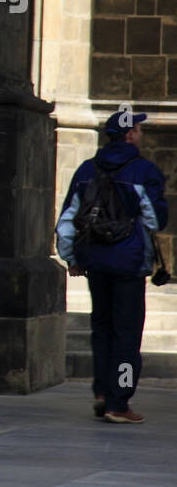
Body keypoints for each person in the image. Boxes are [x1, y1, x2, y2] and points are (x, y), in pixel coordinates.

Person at [56, 109, 167, 424]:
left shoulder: (86, 170)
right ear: (130, 134)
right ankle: (119, 401)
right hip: (129, 263)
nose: (141, 134)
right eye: (139, 129)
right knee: (127, 334)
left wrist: (72, 257)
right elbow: (155, 219)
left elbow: (67, 221)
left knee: (101, 329)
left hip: (96, 262)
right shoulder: (143, 171)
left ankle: (103, 392)